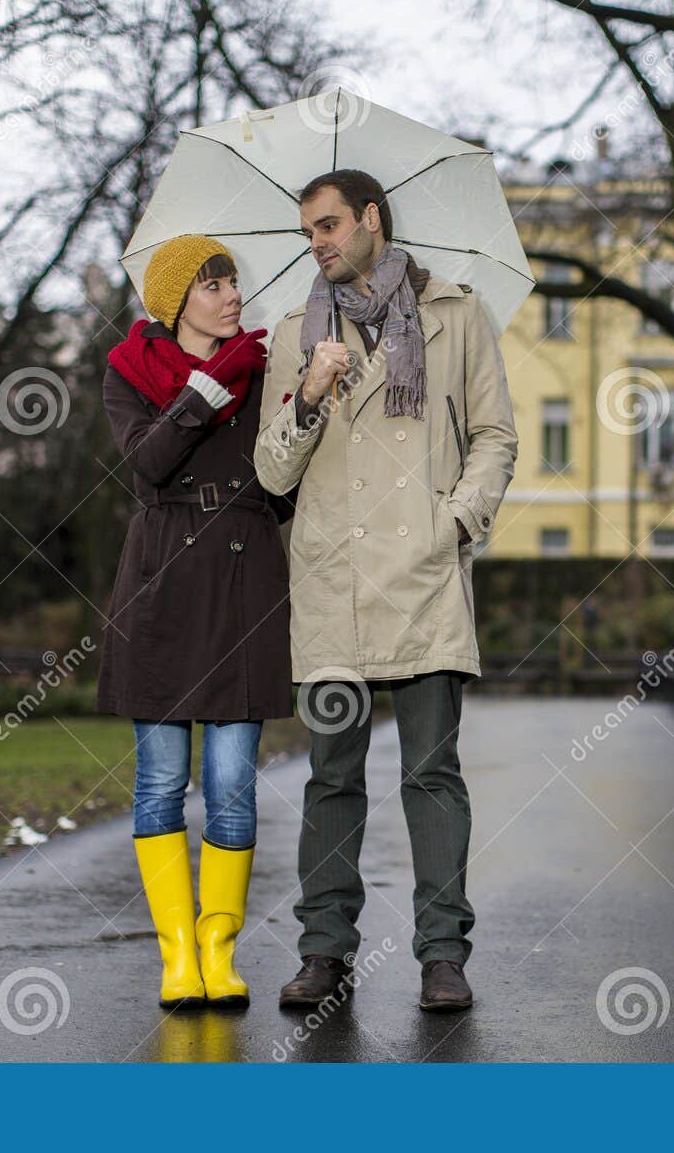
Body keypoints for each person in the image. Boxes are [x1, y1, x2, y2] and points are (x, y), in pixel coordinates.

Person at [253, 169, 517, 1013]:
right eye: (308, 233)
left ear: (371, 219)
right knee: (332, 777)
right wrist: (308, 391)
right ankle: (324, 953)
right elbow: (269, 470)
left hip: (426, 579)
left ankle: (443, 954)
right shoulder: (295, 333)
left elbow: (494, 436)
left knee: (433, 773)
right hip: (334, 585)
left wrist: (454, 523)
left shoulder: (455, 314)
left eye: (329, 225)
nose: (318, 242)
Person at [96, 234, 295, 1011]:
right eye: (214, 285)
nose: (232, 296)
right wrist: (210, 389)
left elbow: (280, 488)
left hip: (245, 577)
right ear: (177, 301)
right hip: (162, 581)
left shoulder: (266, 367)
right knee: (159, 782)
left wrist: (302, 402)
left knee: (232, 783)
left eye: (234, 283)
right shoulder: (129, 373)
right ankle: (178, 956)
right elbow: (147, 464)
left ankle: (220, 948)